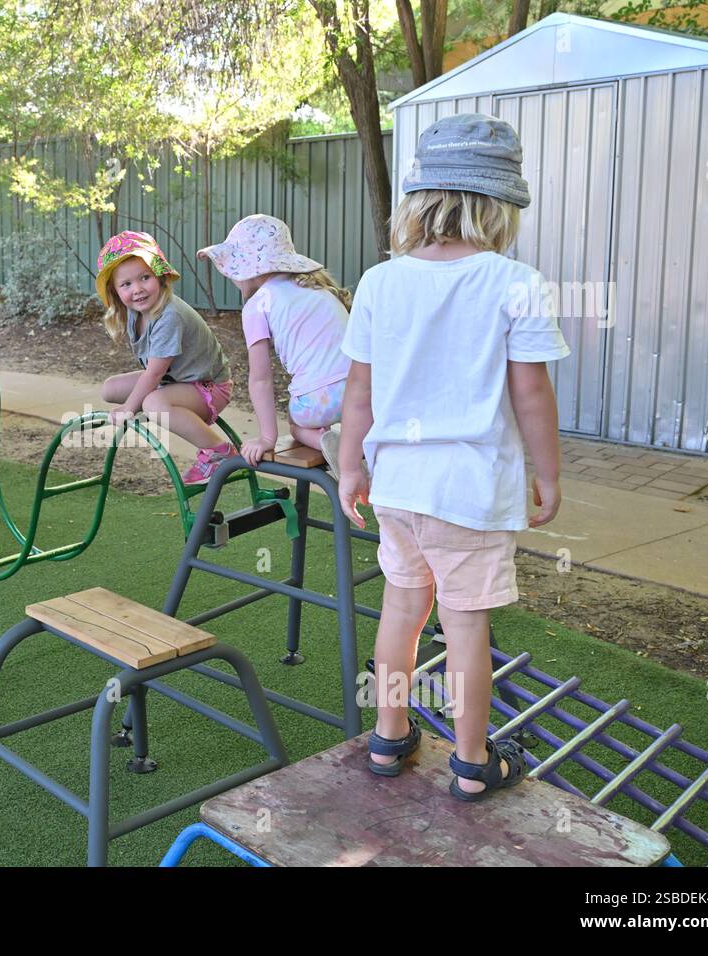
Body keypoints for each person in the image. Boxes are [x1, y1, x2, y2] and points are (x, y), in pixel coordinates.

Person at [336, 114, 570, 800]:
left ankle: (388, 737)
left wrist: (350, 467)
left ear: (418, 201)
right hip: (468, 490)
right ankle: (471, 764)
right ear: (499, 208)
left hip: (398, 487)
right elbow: (531, 392)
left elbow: (358, 392)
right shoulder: (516, 282)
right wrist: (548, 472)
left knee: (401, 610)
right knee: (464, 624)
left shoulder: (379, 282)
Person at [197, 214, 353, 477]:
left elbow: (261, 379)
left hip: (317, 403)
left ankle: (331, 445)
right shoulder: (318, 289)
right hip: (363, 391)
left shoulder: (258, 305)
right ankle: (355, 445)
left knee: (296, 425)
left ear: (246, 267)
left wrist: (267, 438)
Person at [95, 231, 237, 484]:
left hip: (208, 387)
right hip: (177, 380)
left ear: (160, 276)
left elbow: (154, 373)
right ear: (115, 291)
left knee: (153, 404)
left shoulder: (169, 315)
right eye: (126, 284)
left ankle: (220, 452)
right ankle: (164, 403)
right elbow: (154, 372)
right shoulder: (135, 312)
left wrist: (129, 409)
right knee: (110, 389)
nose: (137, 289)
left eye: (145, 277)